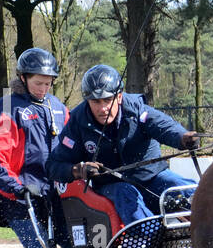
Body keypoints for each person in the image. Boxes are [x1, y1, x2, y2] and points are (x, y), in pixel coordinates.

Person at [46, 64, 200, 226]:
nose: (103, 108)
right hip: (112, 187)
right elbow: (53, 166)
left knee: (185, 188)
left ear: (119, 97)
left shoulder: (138, 110)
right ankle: (152, 238)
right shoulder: (77, 122)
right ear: (87, 101)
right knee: (125, 193)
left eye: (107, 100)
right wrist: (78, 170)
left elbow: (163, 126)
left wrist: (183, 138)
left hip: (153, 177)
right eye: (96, 102)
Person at [0, 47, 69, 248]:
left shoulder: (58, 107)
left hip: (56, 199)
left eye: (48, 84)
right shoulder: (7, 108)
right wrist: (17, 189)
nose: (44, 89)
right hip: (20, 202)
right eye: (39, 83)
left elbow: (73, 147)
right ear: (23, 77)